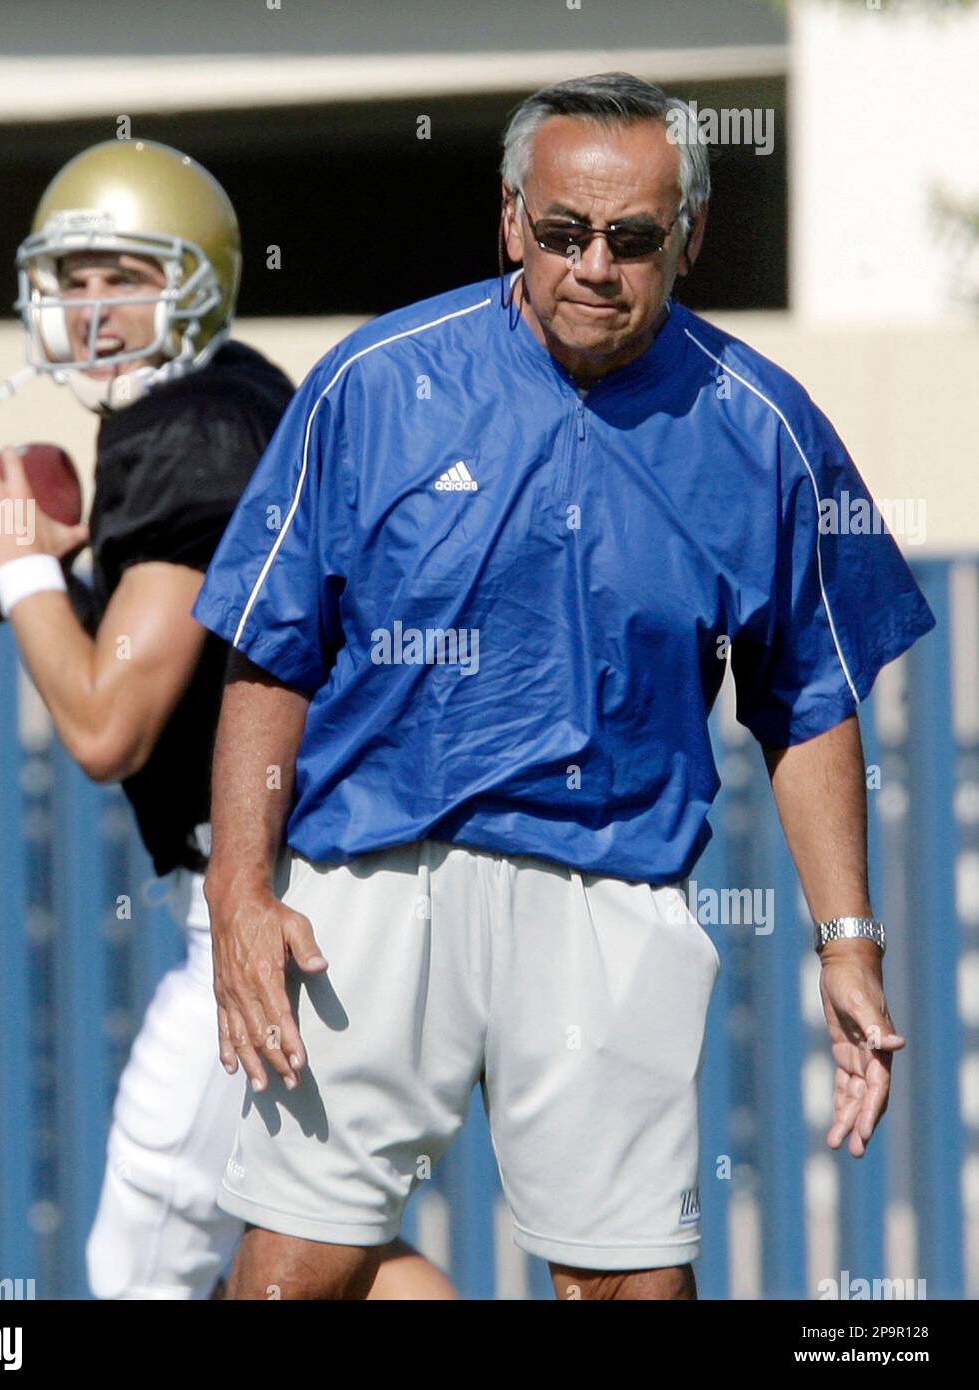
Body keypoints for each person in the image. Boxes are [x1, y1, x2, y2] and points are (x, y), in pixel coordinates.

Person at [193, 73, 936, 1301]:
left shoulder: (766, 425)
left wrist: (847, 943)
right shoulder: (372, 383)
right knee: (294, 1273)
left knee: (629, 1290)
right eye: (562, 231)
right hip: (377, 876)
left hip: (613, 887)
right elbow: (269, 650)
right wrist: (238, 890)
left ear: (689, 235)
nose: (594, 265)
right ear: (510, 221)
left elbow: (809, 697)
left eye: (632, 237)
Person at [0, 138, 456, 1300]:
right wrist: (70, 575)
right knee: (319, 1244)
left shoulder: (192, 430)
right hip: (332, 880)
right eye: (73, 280)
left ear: (196, 281)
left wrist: (19, 568)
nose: (93, 309)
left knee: (145, 1261)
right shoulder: (231, 396)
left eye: (125, 276)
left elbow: (106, 727)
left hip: (283, 893)